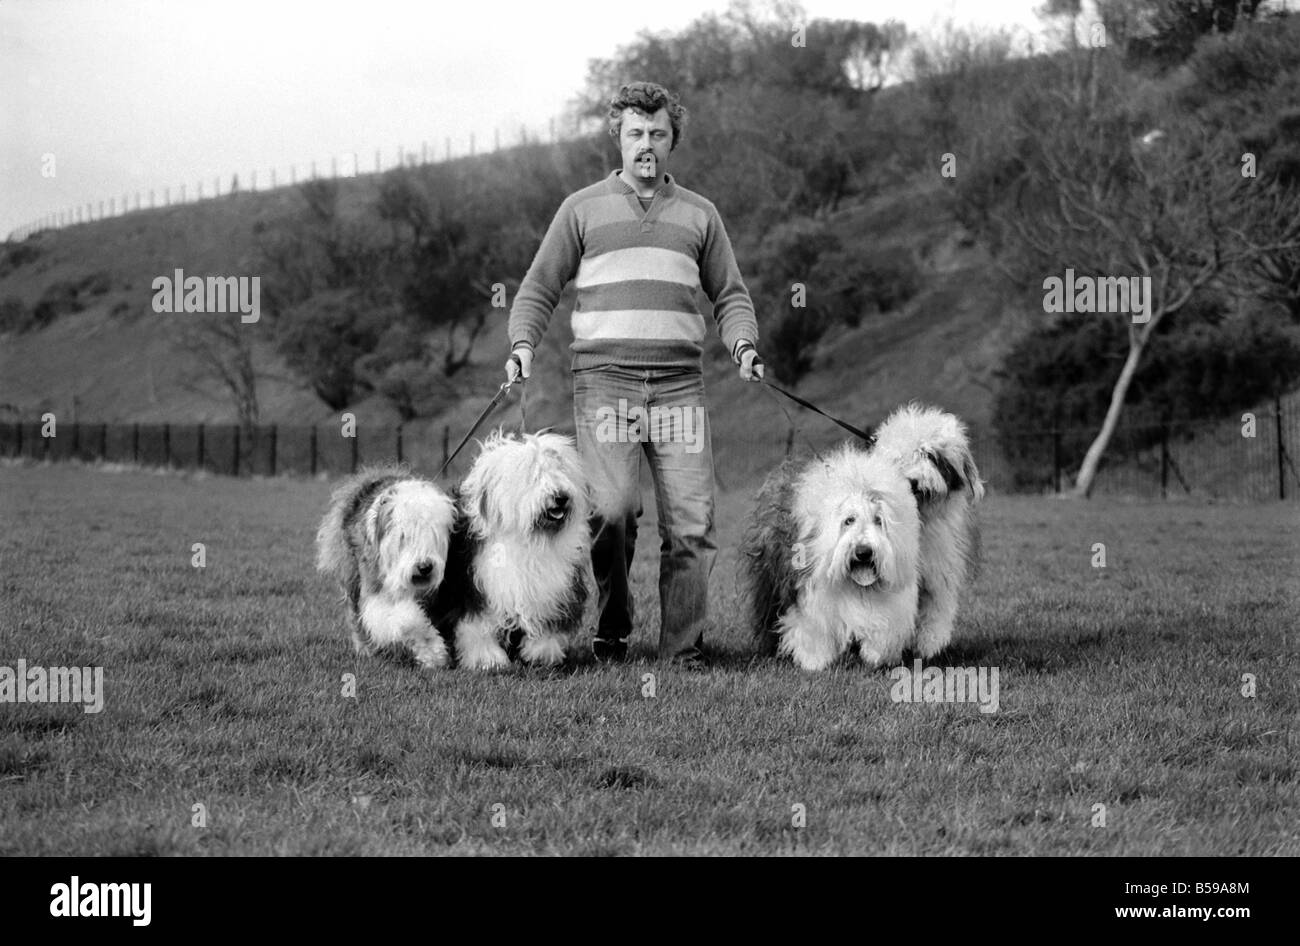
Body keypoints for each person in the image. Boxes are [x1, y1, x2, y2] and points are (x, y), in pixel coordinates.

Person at [505, 81, 763, 667]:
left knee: (693, 524)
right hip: (606, 383)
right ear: (618, 139)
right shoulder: (581, 209)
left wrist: (743, 345)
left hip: (679, 389)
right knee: (613, 512)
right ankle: (614, 625)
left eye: (658, 134)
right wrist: (522, 346)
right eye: (635, 133)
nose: (647, 143)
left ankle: (682, 649)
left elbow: (730, 294)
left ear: (673, 141)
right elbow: (539, 289)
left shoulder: (701, 214)